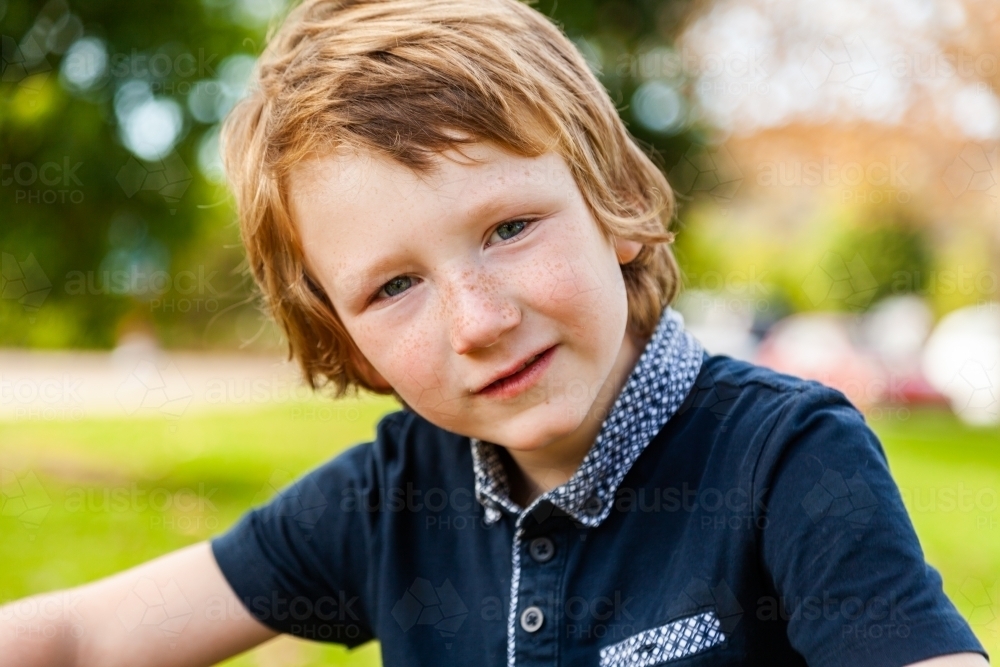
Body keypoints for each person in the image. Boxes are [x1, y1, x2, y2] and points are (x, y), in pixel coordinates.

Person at [0, 0, 991, 665]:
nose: (479, 320)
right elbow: (82, 636)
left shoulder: (784, 457)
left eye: (508, 229)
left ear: (608, 206)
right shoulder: (389, 499)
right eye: (392, 287)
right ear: (343, 340)